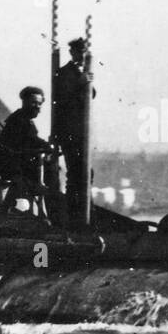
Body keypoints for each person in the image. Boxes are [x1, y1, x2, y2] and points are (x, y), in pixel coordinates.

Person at [52, 37, 95, 225]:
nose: (83, 56)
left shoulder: (82, 72)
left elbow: (90, 95)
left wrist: (86, 81)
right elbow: (64, 100)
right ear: (72, 53)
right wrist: (81, 83)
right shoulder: (64, 73)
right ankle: (74, 214)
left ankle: (83, 211)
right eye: (80, 52)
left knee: (85, 172)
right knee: (76, 173)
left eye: (85, 52)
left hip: (82, 133)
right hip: (70, 132)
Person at [0, 86, 56, 219]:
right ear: (25, 102)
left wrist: (46, 147)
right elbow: (29, 142)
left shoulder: (23, 120)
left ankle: (41, 214)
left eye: (40, 104)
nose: (37, 107)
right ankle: (45, 217)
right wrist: (48, 147)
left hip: (18, 165)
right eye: (34, 103)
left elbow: (31, 142)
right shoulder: (18, 121)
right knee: (50, 177)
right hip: (12, 167)